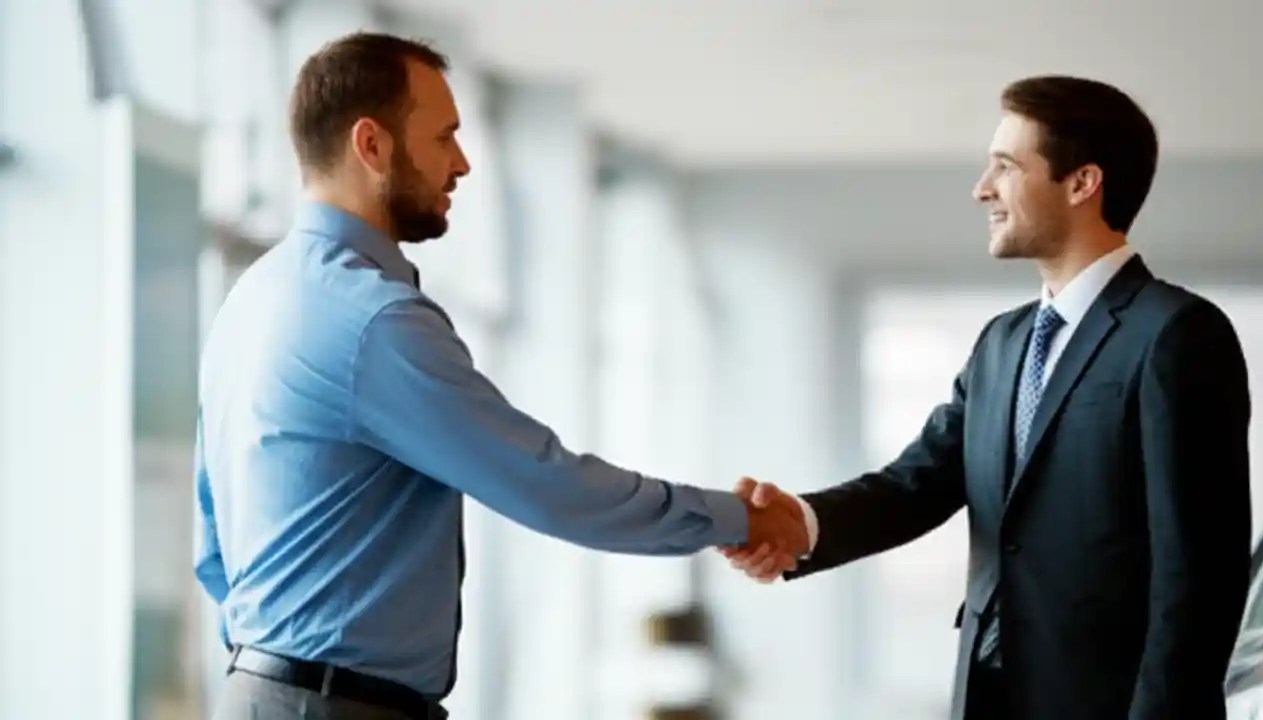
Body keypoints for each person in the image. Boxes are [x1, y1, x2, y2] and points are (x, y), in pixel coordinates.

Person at [194, 32, 807, 720]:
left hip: (267, 694)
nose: (461, 165)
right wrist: (732, 517)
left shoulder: (250, 300)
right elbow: (546, 484)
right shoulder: (373, 321)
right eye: (444, 137)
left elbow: (214, 545)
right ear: (372, 145)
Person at [722, 75, 1253, 720]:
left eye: (1005, 166)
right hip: (988, 697)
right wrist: (798, 523)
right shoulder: (1001, 344)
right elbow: (915, 485)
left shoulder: (1174, 334)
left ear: (1082, 183)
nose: (982, 189)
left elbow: (1200, 575)